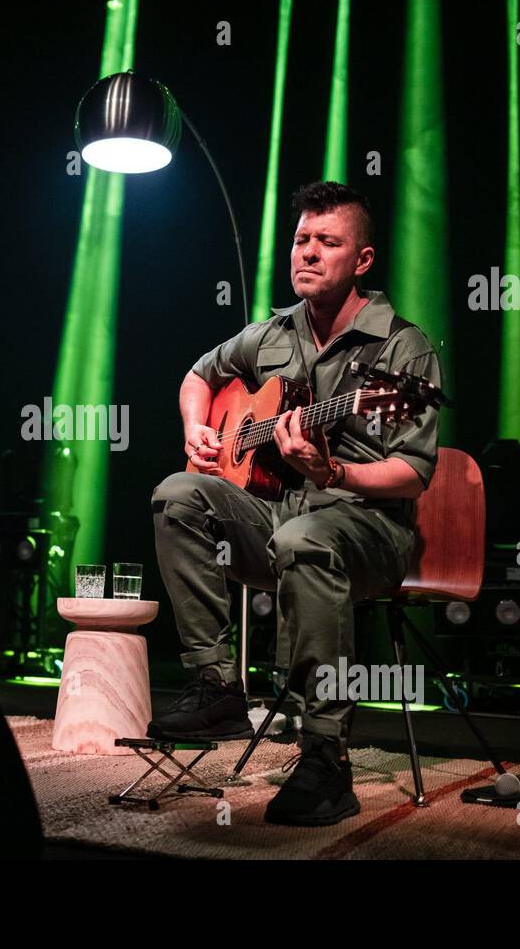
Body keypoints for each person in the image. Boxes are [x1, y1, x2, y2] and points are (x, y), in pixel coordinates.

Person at [149, 182, 442, 825]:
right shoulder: (272, 333)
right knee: (177, 495)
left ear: (361, 260)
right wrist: (198, 430)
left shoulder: (400, 347)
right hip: (279, 519)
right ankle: (218, 684)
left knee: (305, 538)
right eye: (300, 240)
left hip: (368, 535)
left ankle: (324, 756)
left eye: (326, 242)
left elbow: (413, 474)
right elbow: (199, 376)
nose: (307, 252)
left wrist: (333, 469)